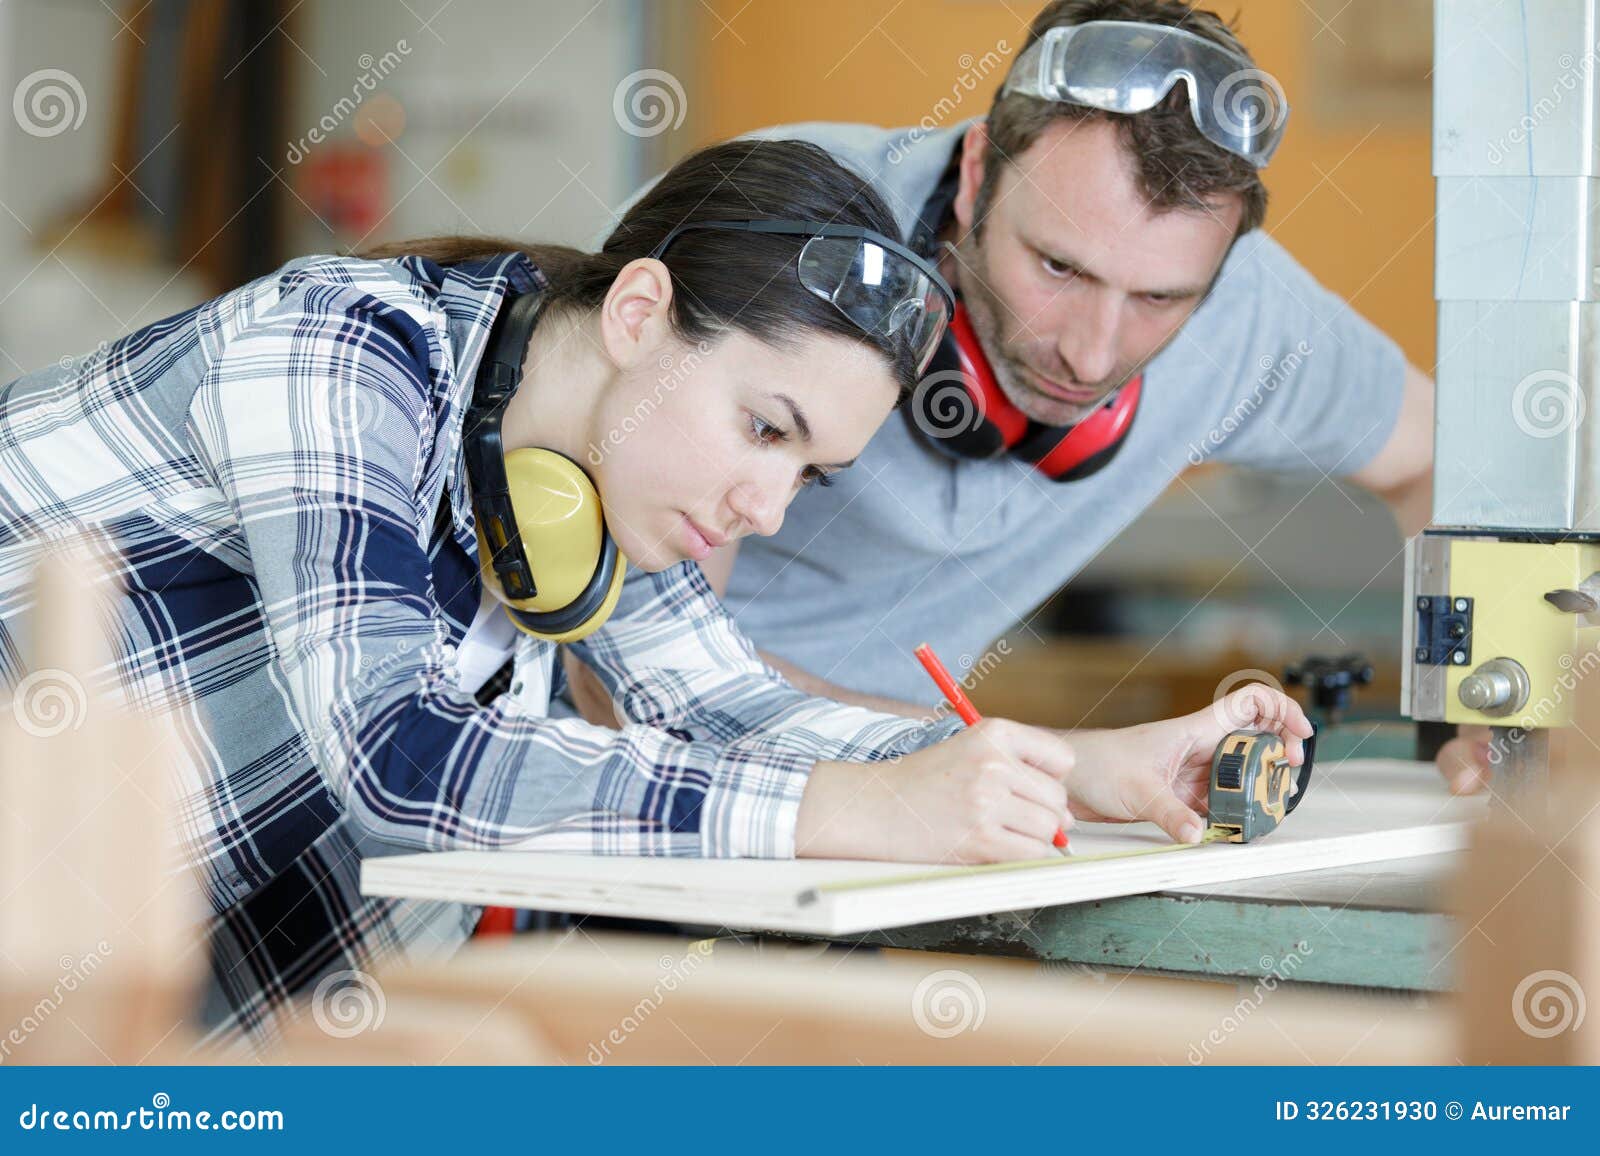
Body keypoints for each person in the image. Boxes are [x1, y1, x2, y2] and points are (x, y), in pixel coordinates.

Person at [0, 135, 1312, 1051]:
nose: (768, 507)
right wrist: (849, 810)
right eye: (765, 427)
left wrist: (1079, 770)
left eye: (812, 467)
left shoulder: (602, 466)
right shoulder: (344, 351)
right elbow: (397, 756)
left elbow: (726, 705)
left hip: (150, 995)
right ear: (638, 314)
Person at [577, 0, 1487, 791]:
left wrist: (1471, 703)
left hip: (897, 797)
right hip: (620, 785)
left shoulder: (1251, 318)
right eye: (1058, 265)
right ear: (977, 174)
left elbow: (1449, 459)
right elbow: (642, 692)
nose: (1091, 356)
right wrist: (1055, 765)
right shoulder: (786, 234)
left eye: (1160, 299)